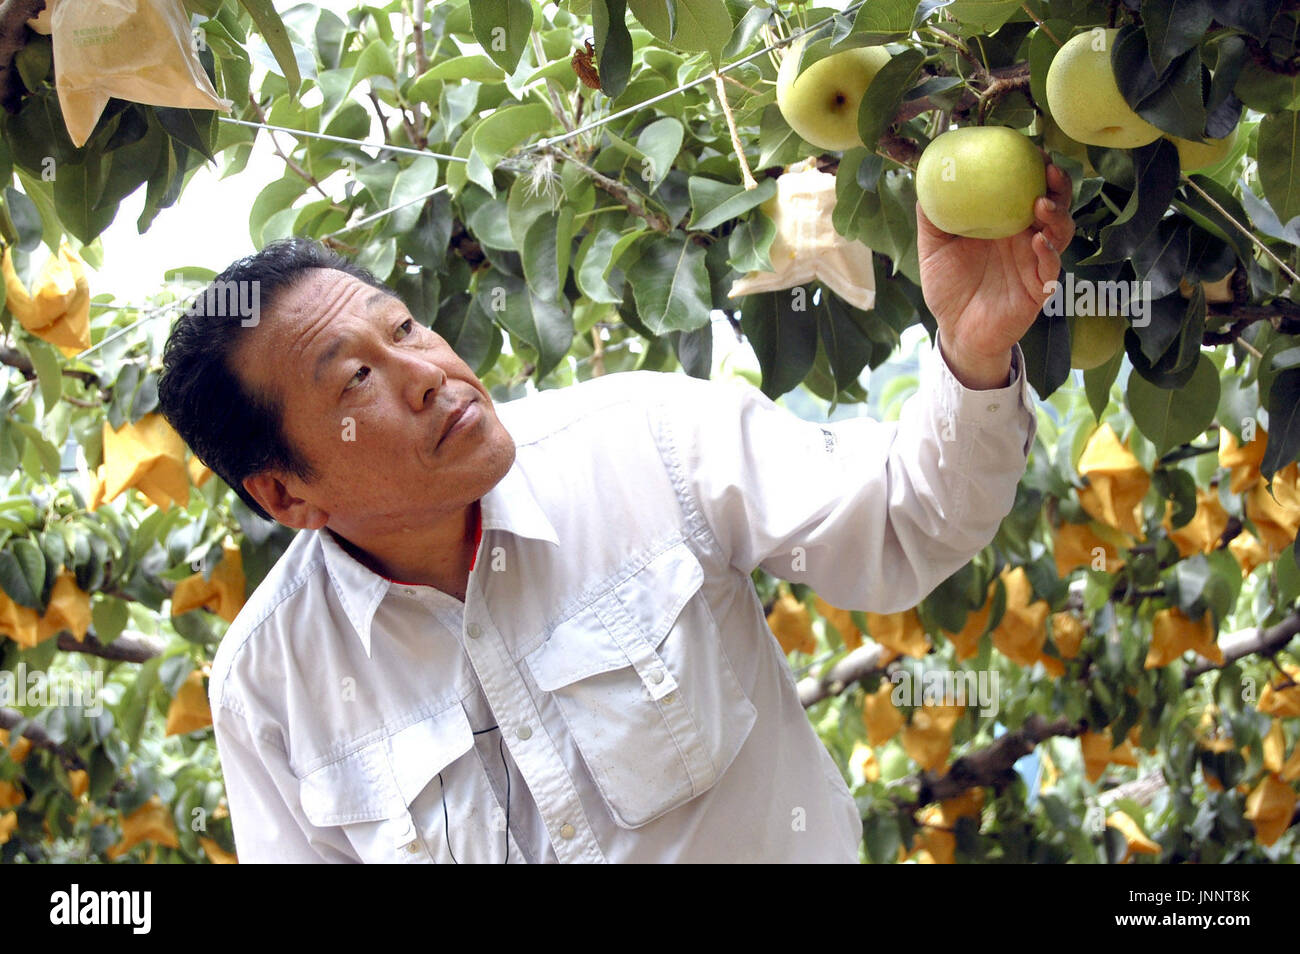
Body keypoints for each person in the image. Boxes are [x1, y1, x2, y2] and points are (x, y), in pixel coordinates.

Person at [157, 165, 1075, 863]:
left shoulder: (645, 440)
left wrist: (971, 351)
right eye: (358, 377)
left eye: (403, 330)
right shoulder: (269, 685)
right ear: (285, 495)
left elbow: (907, 522)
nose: (428, 375)